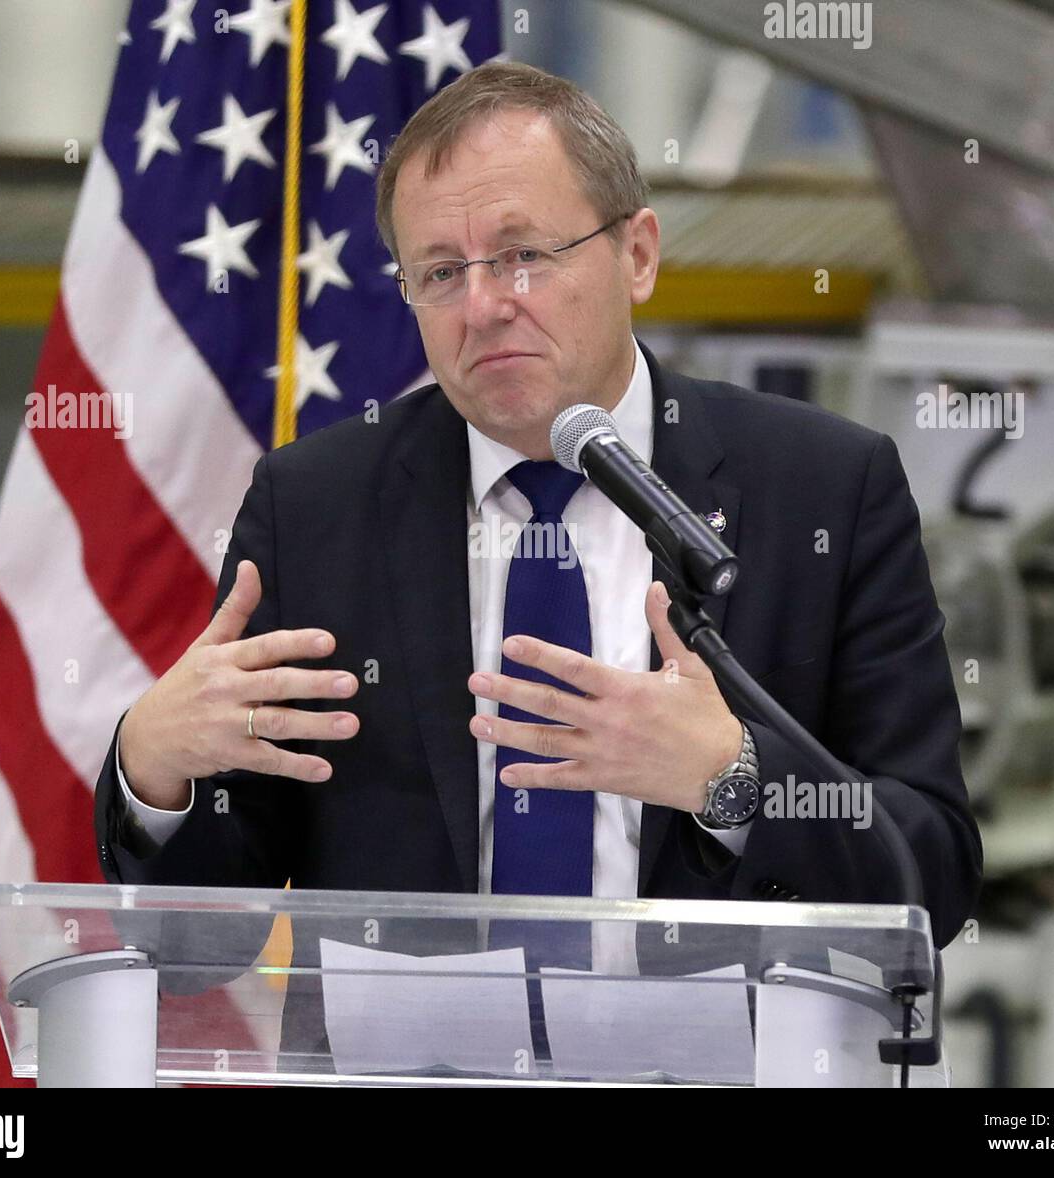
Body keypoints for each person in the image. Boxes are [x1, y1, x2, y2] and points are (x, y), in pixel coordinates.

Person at [94, 63, 981, 970]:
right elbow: (198, 952)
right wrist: (152, 770)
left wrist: (733, 780)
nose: (483, 306)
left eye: (523, 256)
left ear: (636, 255)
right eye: (440, 271)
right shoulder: (316, 506)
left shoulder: (826, 488)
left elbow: (932, 873)